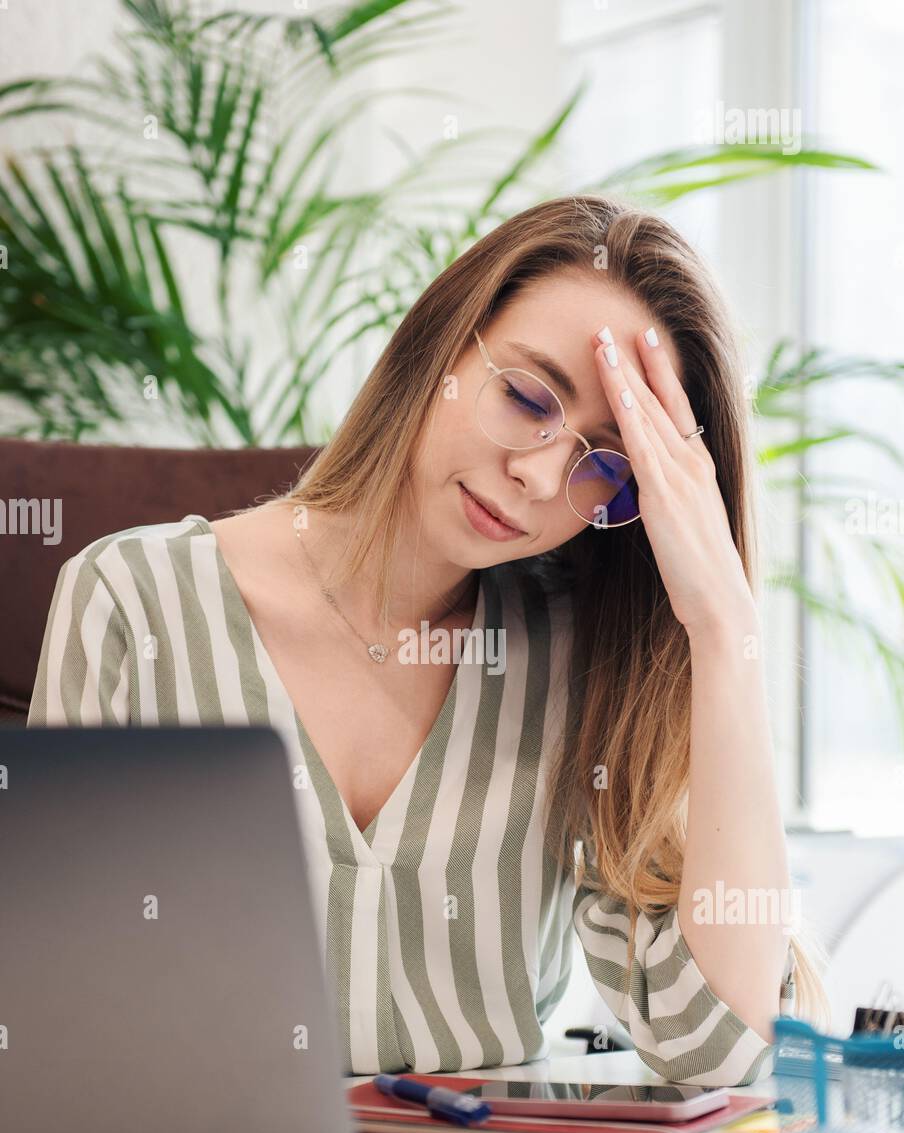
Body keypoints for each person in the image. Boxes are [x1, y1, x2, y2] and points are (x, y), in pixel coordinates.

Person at [28, 194, 829, 1083]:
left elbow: (716, 1046)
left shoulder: (574, 660)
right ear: (442, 345)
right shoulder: (132, 605)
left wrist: (725, 629)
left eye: (604, 465)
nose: (535, 475)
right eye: (526, 397)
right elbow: (56, 1008)